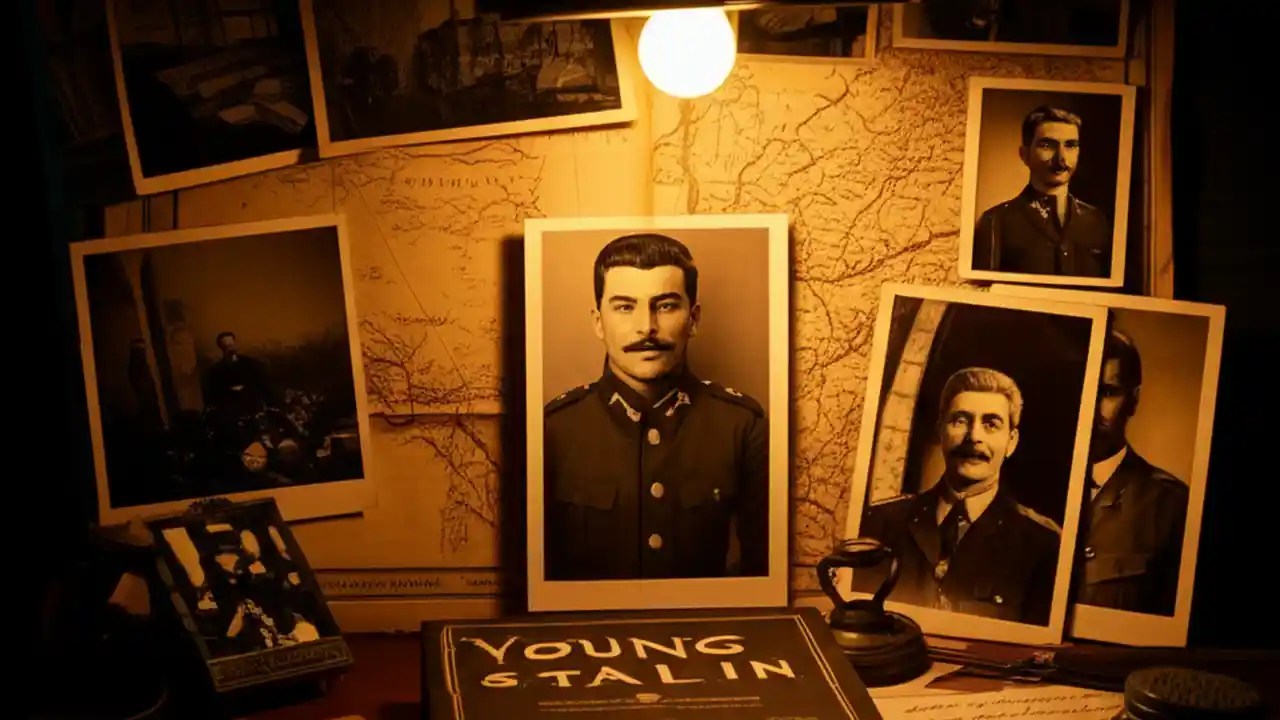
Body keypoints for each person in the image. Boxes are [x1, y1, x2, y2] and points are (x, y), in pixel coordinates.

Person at [543, 233, 769, 581]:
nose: (646, 327)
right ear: (598, 322)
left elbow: (762, 578)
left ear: (693, 318)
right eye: (624, 307)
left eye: (665, 306)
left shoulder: (741, 426)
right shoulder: (553, 431)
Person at [855, 368, 1061, 625]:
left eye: (991, 424)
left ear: (1011, 442)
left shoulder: (1043, 544)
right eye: (960, 421)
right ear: (941, 431)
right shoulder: (880, 523)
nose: (974, 437)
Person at [1077, 330, 1188, 615]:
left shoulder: (1171, 505)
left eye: (1107, 392)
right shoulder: (1022, 490)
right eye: (1081, 388)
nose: (1090, 408)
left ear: (1134, 400)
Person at [972, 105, 1113, 278]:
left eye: (1070, 145)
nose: (1061, 159)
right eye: (1047, 145)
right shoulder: (995, 222)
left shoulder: (1098, 221)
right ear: (1024, 154)